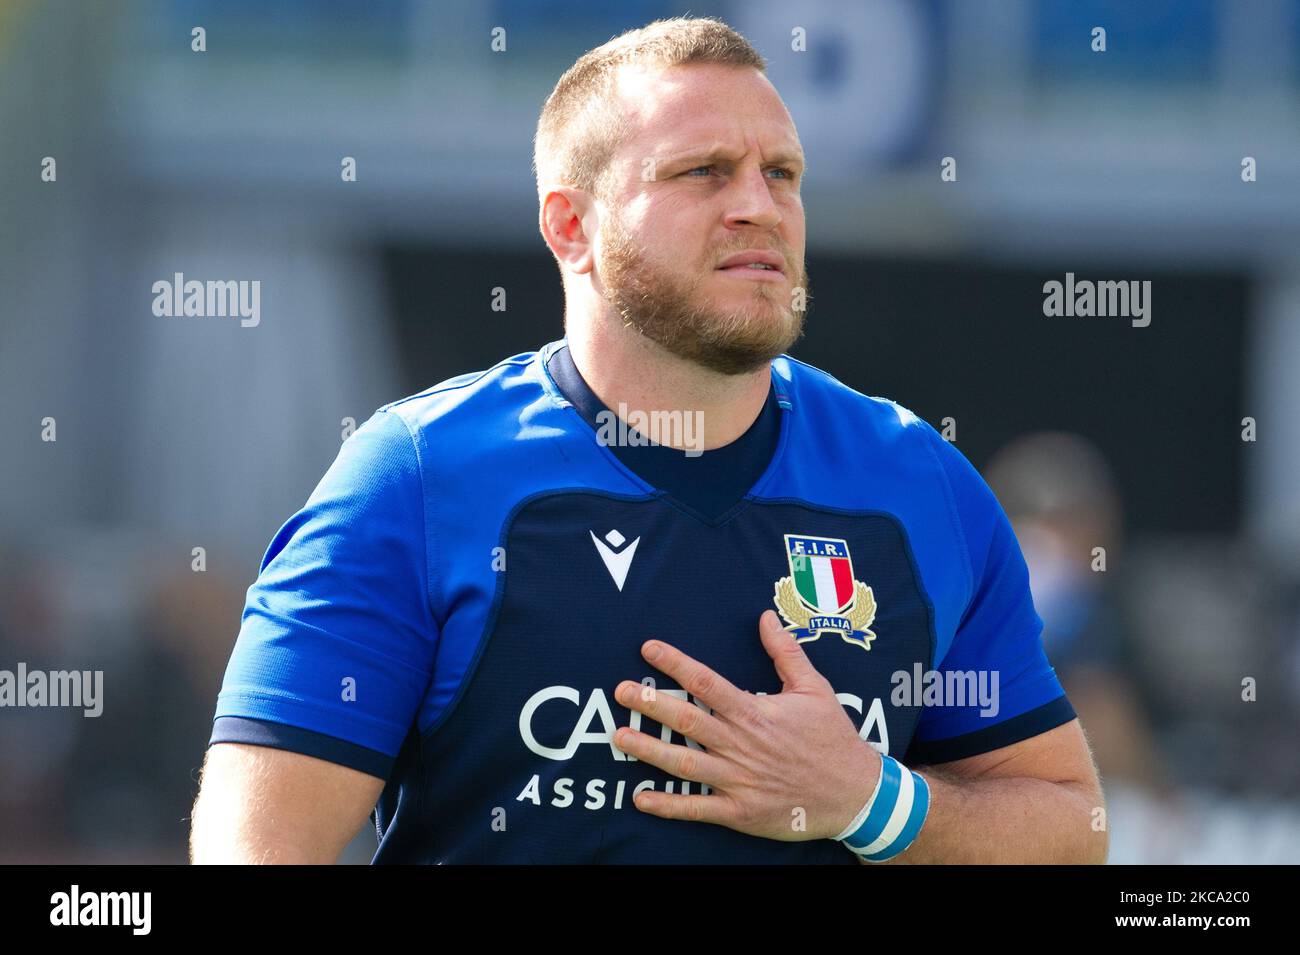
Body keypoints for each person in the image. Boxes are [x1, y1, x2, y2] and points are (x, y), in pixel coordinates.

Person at [190, 16, 1104, 864]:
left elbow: (1073, 827)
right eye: (703, 170)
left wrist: (874, 800)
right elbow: (259, 850)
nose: (760, 205)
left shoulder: (919, 486)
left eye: (781, 173)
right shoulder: (416, 480)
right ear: (570, 226)